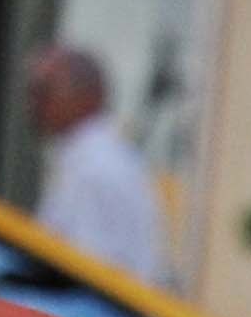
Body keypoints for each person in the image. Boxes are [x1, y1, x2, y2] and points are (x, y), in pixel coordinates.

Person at [26, 46, 169, 290]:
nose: (33, 104)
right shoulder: (89, 159)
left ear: (87, 96)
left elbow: (88, 274)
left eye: (43, 91)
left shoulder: (96, 168)